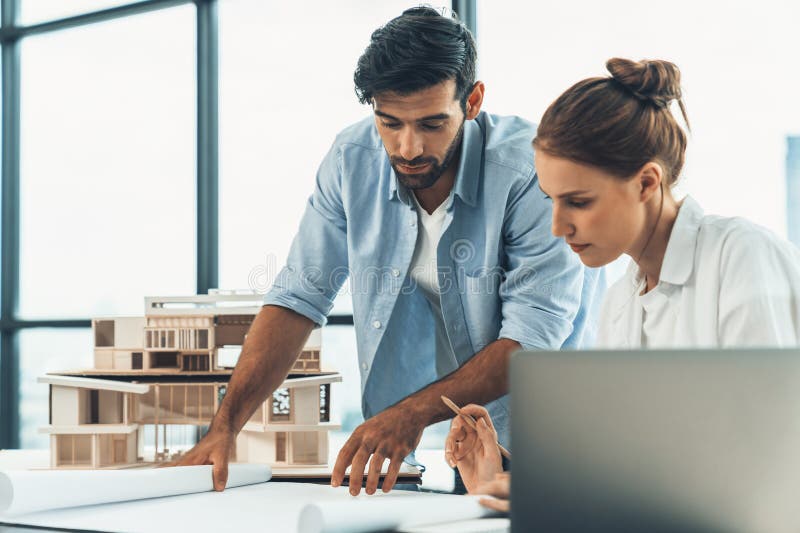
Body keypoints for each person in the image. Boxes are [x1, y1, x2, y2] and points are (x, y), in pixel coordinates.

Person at [175, 7, 603, 496]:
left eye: (432, 123)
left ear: (473, 100)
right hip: (439, 434)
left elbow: (532, 341)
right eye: (389, 122)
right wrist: (225, 426)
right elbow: (297, 298)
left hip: (548, 432)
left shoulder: (531, 172)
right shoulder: (351, 160)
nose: (408, 147)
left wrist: (413, 414)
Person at [447, 57, 800, 510]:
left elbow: (768, 465)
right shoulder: (620, 304)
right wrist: (497, 479)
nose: (558, 226)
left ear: (646, 182)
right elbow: (635, 478)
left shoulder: (741, 257)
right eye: (551, 201)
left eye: (578, 202)